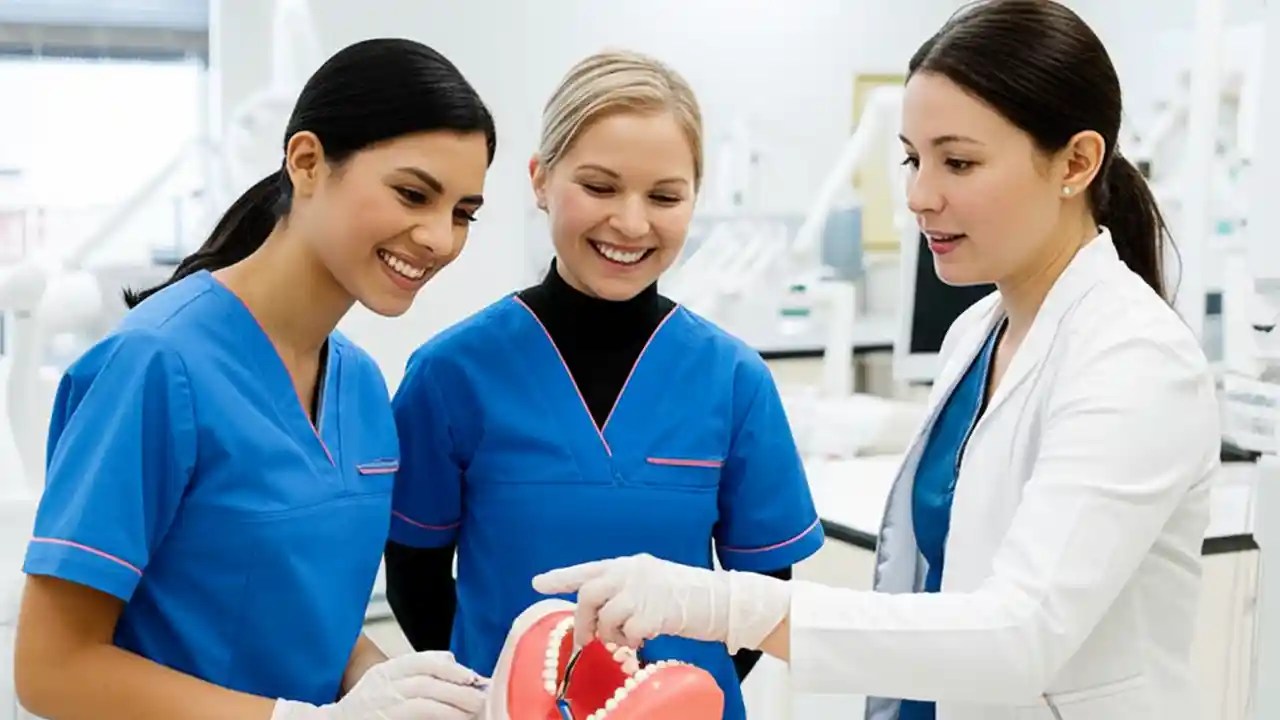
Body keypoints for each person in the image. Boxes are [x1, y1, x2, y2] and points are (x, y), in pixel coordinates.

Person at [531, 2, 1222, 719]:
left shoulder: (1134, 359)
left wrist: (719, 601)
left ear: (1076, 162)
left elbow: (1019, 634)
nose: (920, 196)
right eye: (913, 158)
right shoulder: (978, 334)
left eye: (958, 161)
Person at [15, 38, 497, 720]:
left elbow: (301, 610)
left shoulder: (359, 387)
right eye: (412, 193)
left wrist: (391, 689)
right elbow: (52, 669)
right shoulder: (156, 365)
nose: (439, 238)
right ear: (306, 162)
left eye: (463, 213)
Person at [383, 49, 824, 720]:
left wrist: (665, 696)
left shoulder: (734, 380)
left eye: (665, 196)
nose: (631, 222)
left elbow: (763, 589)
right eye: (600, 186)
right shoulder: (451, 375)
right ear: (540, 180)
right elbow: (415, 578)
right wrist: (500, 695)